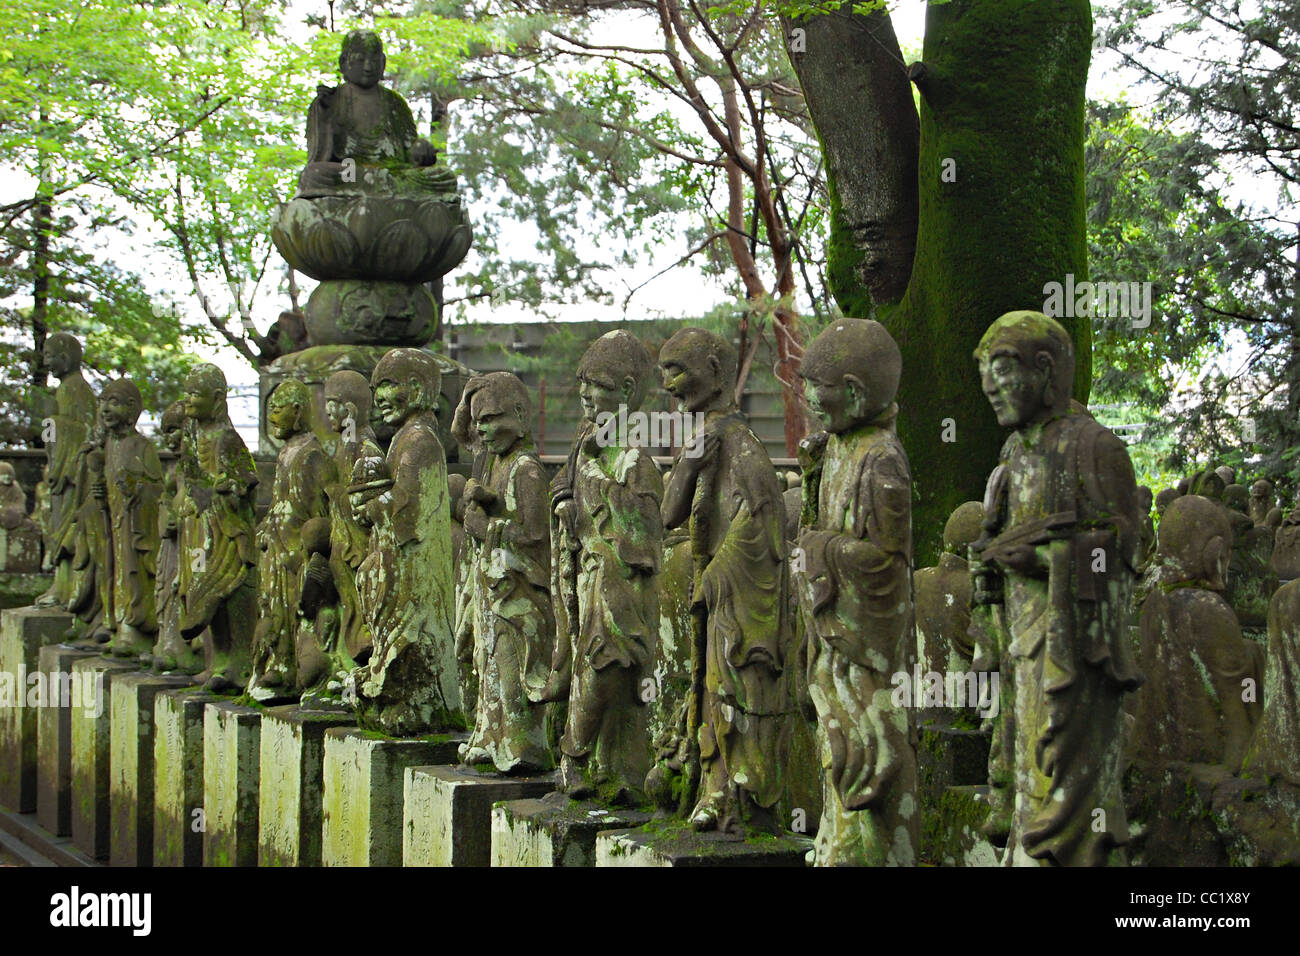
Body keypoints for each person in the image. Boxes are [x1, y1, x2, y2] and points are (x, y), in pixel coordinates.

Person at [969, 310, 1143, 866]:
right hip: (1024, 644)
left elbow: (1123, 550)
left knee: (1066, 769)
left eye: (1001, 371)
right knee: (1027, 766)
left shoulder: (1095, 448)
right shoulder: (1013, 456)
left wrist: (1046, 560)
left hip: (1075, 651)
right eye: (985, 378)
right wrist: (993, 563)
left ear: (1045, 370)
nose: (991, 390)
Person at [654, 327, 792, 834]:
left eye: (678, 370)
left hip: (734, 600)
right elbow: (669, 513)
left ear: (715, 370)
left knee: (728, 687)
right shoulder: (704, 439)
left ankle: (734, 796)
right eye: (663, 372)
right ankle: (711, 789)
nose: (669, 384)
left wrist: (718, 572)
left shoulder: (740, 442)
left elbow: (764, 519)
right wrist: (690, 462)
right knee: (708, 694)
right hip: (714, 599)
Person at [793, 318, 918, 865]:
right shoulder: (840, 448)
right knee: (835, 740)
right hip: (834, 639)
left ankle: (878, 851)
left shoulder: (881, 457)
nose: (810, 405)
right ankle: (839, 841)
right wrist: (813, 483)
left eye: (818, 395)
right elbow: (815, 525)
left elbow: (886, 563)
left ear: (855, 392)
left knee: (875, 743)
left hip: (866, 638)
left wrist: (820, 548)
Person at [541, 331, 663, 802]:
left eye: (597, 385)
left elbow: (642, 527)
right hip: (591, 574)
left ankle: (619, 770)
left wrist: (590, 479)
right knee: (597, 662)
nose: (585, 396)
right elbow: (561, 486)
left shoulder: (636, 455)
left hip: (622, 581)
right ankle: (575, 757)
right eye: (582, 384)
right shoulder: (586, 441)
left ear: (628, 392)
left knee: (624, 671)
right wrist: (566, 500)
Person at [351, 348, 462, 734]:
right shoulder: (403, 438)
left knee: (413, 631)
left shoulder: (419, 441)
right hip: (396, 556)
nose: (379, 398)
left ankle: (423, 703)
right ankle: (400, 696)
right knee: (393, 627)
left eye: (387, 386)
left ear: (416, 388)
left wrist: (372, 505)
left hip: (414, 559)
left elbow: (409, 504)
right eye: (375, 389)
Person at [452, 372, 553, 772]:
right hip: (492, 586)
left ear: (519, 415)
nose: (483, 430)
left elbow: (533, 533)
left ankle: (520, 745)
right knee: (486, 664)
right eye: (480, 422)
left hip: (517, 592)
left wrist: (487, 528)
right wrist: (469, 395)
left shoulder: (526, 469)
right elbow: (461, 432)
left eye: (492, 419)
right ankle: (489, 736)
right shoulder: (492, 462)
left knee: (511, 671)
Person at [176, 363, 259, 692]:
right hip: (198, 526)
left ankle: (237, 664)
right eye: (187, 393)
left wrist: (231, 488)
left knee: (225, 594)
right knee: (199, 591)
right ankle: (216, 660)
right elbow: (188, 478)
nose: (189, 400)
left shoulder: (228, 438)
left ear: (218, 398)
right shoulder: (192, 433)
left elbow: (248, 482)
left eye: (195, 394)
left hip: (224, 529)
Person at [297, 30, 456, 199]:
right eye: (360, 60)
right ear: (344, 62)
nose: (368, 67)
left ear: (383, 63)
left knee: (444, 177)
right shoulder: (333, 100)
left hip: (394, 173)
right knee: (314, 174)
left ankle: (381, 188)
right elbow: (319, 157)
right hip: (351, 170)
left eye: (374, 60)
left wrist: (421, 150)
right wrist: (323, 115)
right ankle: (379, 188)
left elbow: (410, 150)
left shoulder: (395, 103)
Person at [99, 379, 164, 661]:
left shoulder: (141, 446)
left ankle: (134, 631)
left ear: (131, 408)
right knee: (114, 571)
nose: (105, 409)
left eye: (113, 402)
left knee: (132, 573)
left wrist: (137, 490)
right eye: (103, 402)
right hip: (115, 522)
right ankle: (118, 625)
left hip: (135, 525)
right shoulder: (109, 447)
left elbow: (156, 490)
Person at [36, 332, 97, 609]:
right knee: (57, 526)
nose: (46, 361)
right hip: (64, 471)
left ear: (66, 358)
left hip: (73, 473)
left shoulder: (75, 389)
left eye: (50, 356)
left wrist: (53, 419)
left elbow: (85, 432)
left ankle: (67, 587)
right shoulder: (65, 388)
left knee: (67, 531)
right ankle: (60, 585)